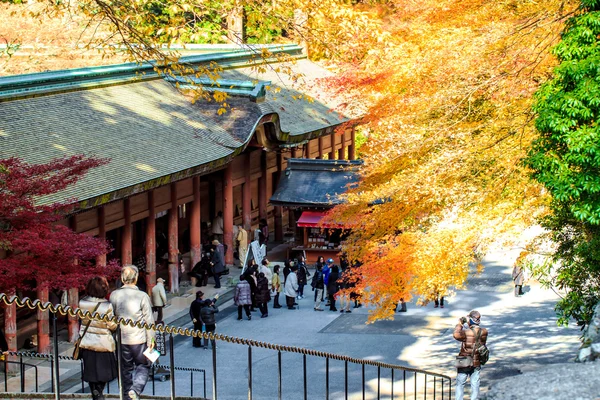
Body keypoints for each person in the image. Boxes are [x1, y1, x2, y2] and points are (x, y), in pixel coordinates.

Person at [109, 265, 155, 400]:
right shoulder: (142, 296)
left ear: (122, 278)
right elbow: (149, 320)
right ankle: (136, 389)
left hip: (122, 338)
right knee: (144, 364)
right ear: (136, 278)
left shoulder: (114, 295)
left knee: (124, 369)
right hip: (139, 337)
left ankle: (125, 396)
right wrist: (151, 340)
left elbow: (111, 316)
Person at [78, 277, 118, 400]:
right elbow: (112, 325)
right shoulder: (107, 306)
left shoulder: (82, 303)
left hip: (87, 341)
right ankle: (99, 392)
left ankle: (95, 392)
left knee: (91, 371)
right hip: (103, 343)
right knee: (104, 372)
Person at [453, 310, 488, 400]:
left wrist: (460, 324)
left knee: (460, 383)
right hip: (477, 361)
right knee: (475, 383)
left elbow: (456, 335)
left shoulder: (466, 332)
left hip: (464, 361)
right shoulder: (484, 331)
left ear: (471, 320)